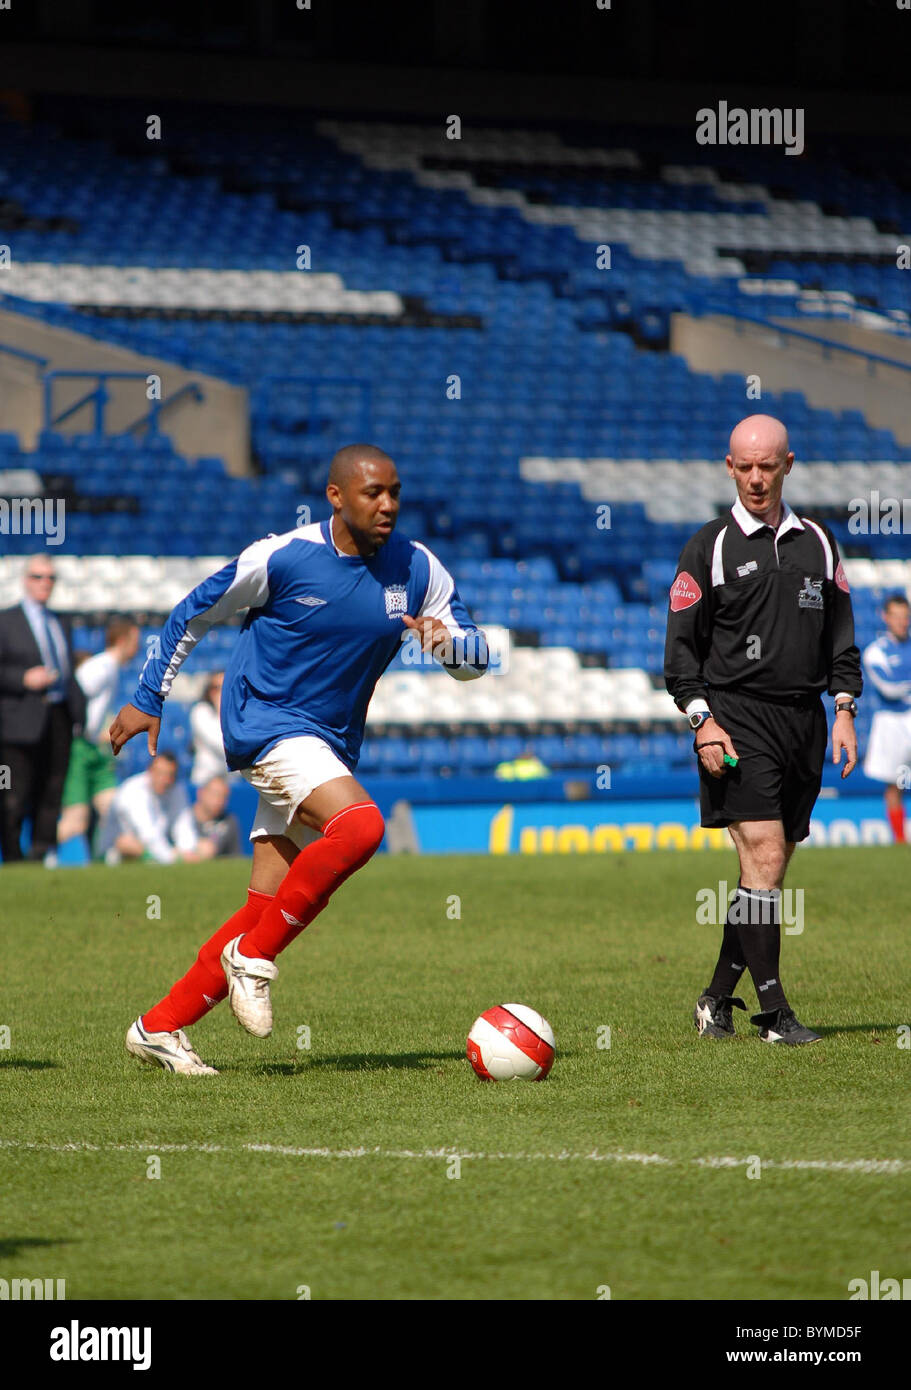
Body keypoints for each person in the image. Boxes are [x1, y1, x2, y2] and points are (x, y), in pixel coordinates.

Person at [110, 443, 488, 1075]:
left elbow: (476, 661)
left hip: (327, 742)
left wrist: (451, 647)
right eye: (373, 493)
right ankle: (252, 961)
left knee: (264, 905)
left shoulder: (419, 568)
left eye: (395, 491)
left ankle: (160, 1027)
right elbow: (194, 611)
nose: (388, 504)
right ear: (335, 496)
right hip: (268, 726)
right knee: (362, 827)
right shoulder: (281, 557)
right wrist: (150, 696)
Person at [664, 414, 861, 1046]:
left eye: (766, 466)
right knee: (766, 855)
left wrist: (844, 709)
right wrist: (703, 722)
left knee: (766, 873)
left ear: (788, 465)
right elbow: (679, 653)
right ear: (729, 467)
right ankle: (774, 1014)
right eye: (744, 466)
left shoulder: (820, 544)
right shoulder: (708, 546)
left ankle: (716, 998)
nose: (755, 478)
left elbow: (841, 637)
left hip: (803, 721)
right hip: (736, 717)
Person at [0, 555, 87, 863]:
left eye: (50, 578)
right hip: (17, 722)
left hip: (57, 716)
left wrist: (80, 712)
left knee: (52, 789)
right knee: (13, 794)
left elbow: (68, 673)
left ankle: (40, 855)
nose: (45, 583)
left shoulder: (60, 621)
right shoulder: (6, 621)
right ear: (26, 579)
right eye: (38, 577)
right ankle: (12, 858)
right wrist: (23, 678)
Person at [58, 617, 141, 855]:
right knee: (75, 822)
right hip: (81, 748)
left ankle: (105, 860)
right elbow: (75, 694)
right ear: (123, 641)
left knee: (111, 810)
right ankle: (41, 854)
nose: (138, 648)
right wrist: (84, 730)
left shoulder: (111, 668)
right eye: (135, 641)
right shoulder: (102, 666)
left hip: (95, 748)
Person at [862, 593, 911, 843]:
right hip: (891, 722)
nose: (902, 621)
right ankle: (900, 839)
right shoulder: (876, 652)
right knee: (895, 783)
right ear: (885, 617)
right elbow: (888, 687)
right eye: (897, 616)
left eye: (905, 616)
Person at [98, 752, 200, 865]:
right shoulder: (133, 790)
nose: (164, 779)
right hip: (116, 851)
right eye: (160, 773)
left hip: (159, 847)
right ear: (150, 771)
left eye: (169, 775)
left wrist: (187, 852)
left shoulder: (176, 790)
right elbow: (148, 834)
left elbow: (183, 824)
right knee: (127, 843)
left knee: (205, 847)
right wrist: (173, 858)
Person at [172, 775, 241, 859]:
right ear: (201, 793)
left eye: (224, 796)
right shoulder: (183, 819)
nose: (219, 800)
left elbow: (235, 858)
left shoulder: (230, 821)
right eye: (215, 794)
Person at [189, 672, 230, 786]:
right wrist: (221, 711)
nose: (221, 692)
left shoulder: (239, 714)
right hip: (204, 780)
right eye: (216, 688)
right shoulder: (200, 711)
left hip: (232, 781)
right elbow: (222, 745)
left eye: (226, 687)